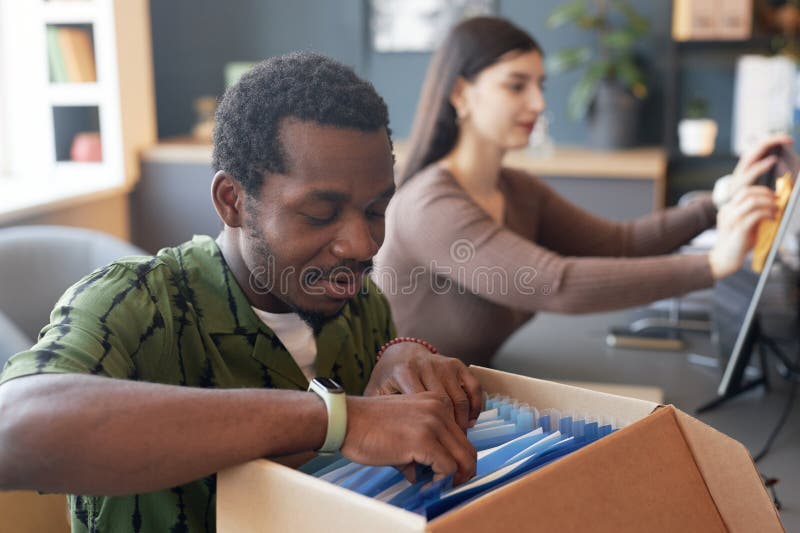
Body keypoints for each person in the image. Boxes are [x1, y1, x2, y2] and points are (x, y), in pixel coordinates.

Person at [0, 53, 482, 532]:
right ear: (233, 201)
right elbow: (13, 427)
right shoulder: (138, 304)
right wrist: (337, 420)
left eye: (376, 210)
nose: (361, 244)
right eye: (320, 213)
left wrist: (400, 354)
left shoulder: (357, 302)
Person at [373, 16, 796, 365]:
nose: (539, 103)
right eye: (516, 85)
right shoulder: (431, 206)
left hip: (469, 390)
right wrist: (712, 265)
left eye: (540, 85)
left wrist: (718, 203)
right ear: (460, 94)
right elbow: (556, 284)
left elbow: (620, 244)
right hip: (405, 409)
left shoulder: (517, 190)